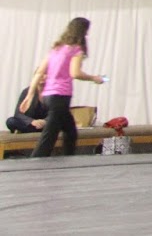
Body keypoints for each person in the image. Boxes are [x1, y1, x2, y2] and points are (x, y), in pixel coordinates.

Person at [24, 17, 104, 157]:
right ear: (82, 32)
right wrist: (94, 78)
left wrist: (30, 94)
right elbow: (75, 73)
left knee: (70, 132)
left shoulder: (56, 48)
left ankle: (68, 158)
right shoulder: (75, 50)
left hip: (49, 96)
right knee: (50, 135)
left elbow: (39, 72)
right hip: (60, 96)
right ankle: (35, 162)